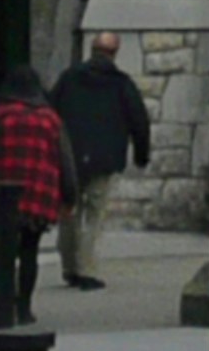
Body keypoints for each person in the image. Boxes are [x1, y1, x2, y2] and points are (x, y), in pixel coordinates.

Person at [50, 29, 151, 294]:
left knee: (69, 210)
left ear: (92, 50)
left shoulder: (69, 78)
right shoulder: (121, 84)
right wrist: (141, 155)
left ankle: (70, 266)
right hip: (105, 157)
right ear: (114, 53)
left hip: (70, 155)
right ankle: (87, 269)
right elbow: (139, 121)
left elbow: (50, 110)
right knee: (94, 216)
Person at [0, 58, 75, 330]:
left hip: (4, 188)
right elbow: (65, 158)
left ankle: (3, 305)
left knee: (5, 251)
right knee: (29, 251)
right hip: (38, 191)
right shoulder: (50, 118)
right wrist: (70, 195)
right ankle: (24, 307)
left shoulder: (0, 112)